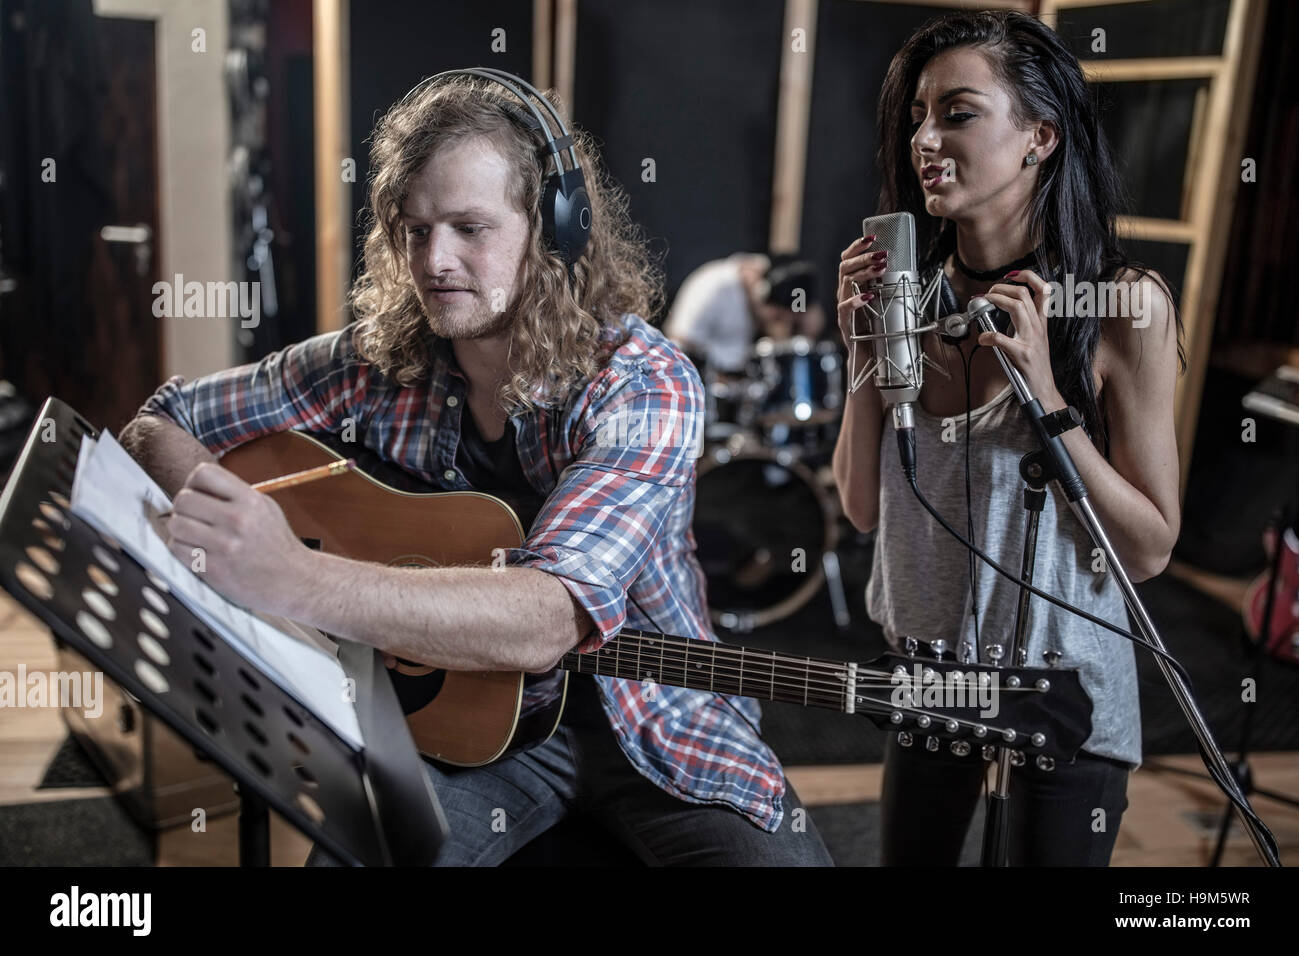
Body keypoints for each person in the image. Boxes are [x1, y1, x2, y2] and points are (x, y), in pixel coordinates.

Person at [121, 71, 831, 867]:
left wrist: (290, 577)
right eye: (416, 230)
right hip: (465, 733)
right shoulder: (374, 364)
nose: (437, 261)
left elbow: (547, 617)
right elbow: (162, 419)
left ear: (554, 228)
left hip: (658, 716)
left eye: (469, 227)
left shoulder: (642, 381)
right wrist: (236, 530)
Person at [831, 10, 1184, 866]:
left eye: (957, 112)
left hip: (1063, 697)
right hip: (931, 682)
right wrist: (863, 359)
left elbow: (1147, 548)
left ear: (1039, 136)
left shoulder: (1122, 307)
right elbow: (862, 508)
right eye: (917, 115)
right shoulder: (905, 300)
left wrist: (1050, 398)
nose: (924, 137)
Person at [665, 253, 825, 373]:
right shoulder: (713, 288)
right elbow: (678, 342)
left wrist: (806, 325)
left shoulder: (770, 273)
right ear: (761, 292)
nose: (781, 325)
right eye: (777, 318)